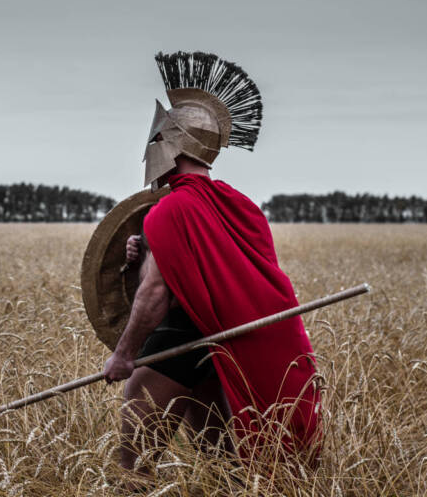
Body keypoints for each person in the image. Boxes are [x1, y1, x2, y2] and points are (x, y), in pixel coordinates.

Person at [103, 52, 321, 482]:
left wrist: (124, 355)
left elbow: (156, 294)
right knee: (225, 474)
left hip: (180, 344)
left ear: (169, 145)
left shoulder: (171, 211)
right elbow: (215, 271)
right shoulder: (240, 205)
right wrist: (145, 250)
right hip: (228, 351)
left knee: (132, 471)